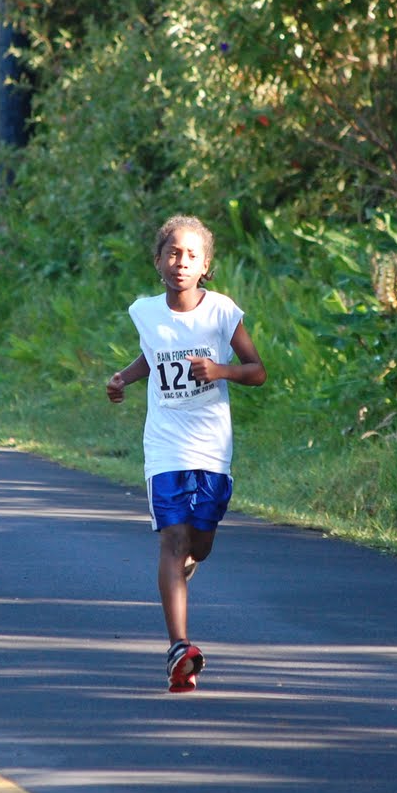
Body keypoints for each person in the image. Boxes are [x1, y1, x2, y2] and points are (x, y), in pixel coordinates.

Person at [106, 214, 266, 692]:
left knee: (200, 542)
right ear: (158, 261)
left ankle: (190, 561)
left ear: (205, 266)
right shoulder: (146, 312)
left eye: (191, 255)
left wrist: (221, 371)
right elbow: (152, 356)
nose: (181, 262)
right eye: (173, 253)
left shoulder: (221, 312)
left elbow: (256, 370)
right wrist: (123, 379)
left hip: (212, 447)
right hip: (166, 446)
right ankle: (179, 648)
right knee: (172, 540)